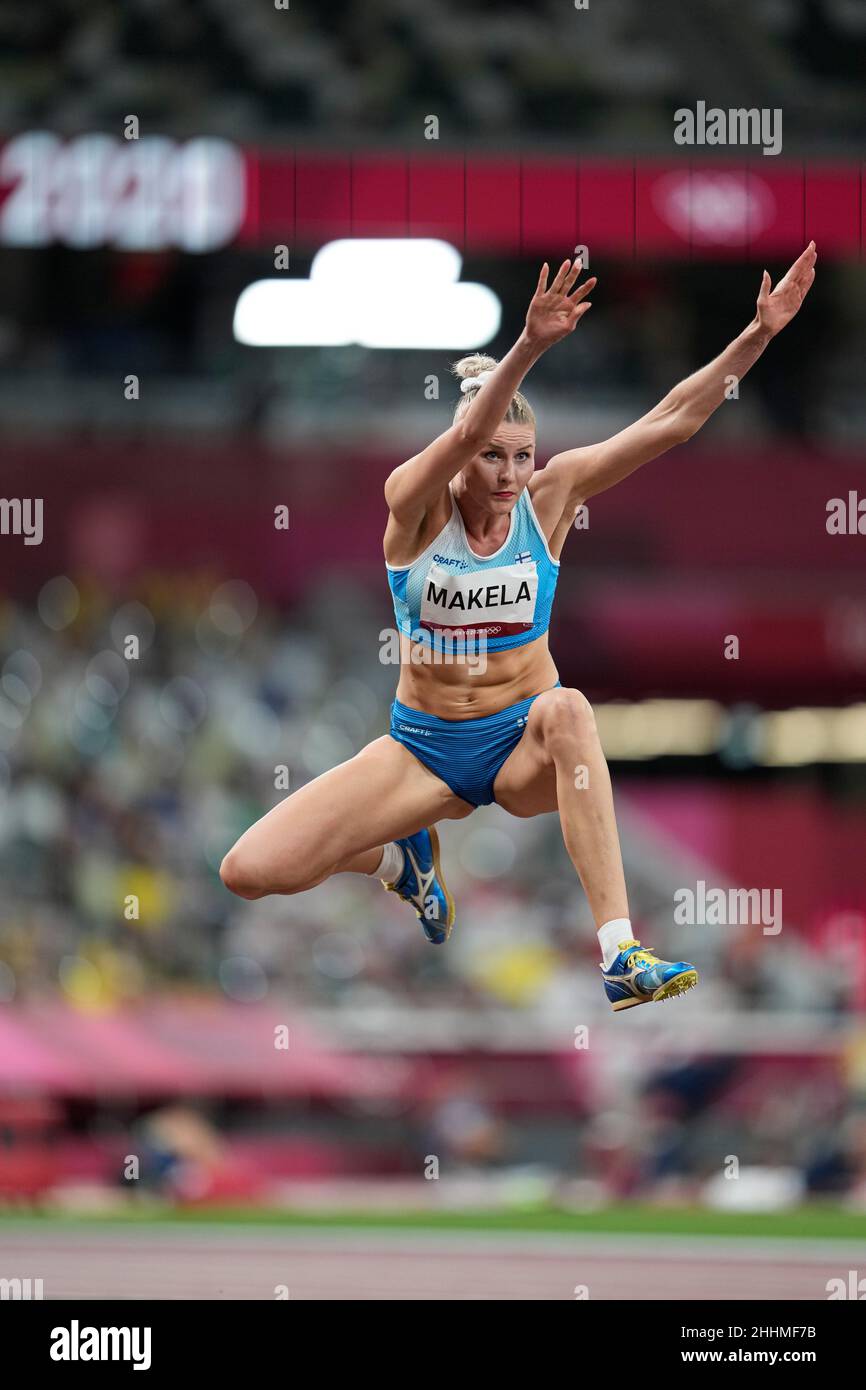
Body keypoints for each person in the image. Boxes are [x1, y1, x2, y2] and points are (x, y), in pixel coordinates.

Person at [221, 243, 817, 1012]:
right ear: (462, 458)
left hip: (521, 746)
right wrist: (529, 346)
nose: (508, 475)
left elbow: (672, 421)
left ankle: (619, 951)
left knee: (569, 707)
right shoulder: (413, 508)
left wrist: (758, 334)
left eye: (523, 457)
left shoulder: (549, 499)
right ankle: (401, 865)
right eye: (494, 458)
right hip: (424, 748)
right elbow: (465, 438)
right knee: (251, 870)